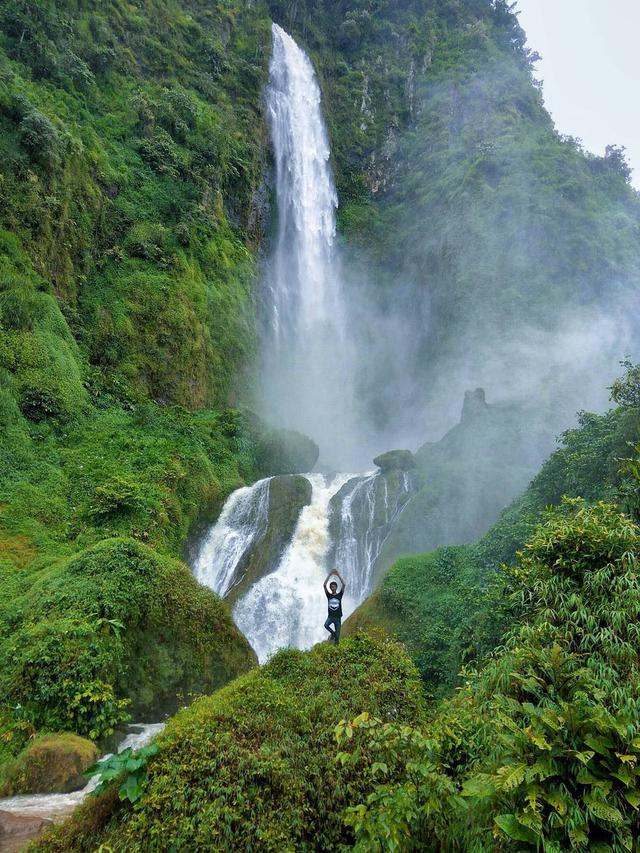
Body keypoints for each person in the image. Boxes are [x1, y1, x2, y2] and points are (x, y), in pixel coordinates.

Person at [323, 570, 345, 644]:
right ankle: (332, 633)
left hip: (338, 617)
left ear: (336, 587)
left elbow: (344, 585)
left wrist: (338, 575)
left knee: (337, 638)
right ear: (330, 588)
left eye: (334, 586)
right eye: (332, 587)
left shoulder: (339, 595)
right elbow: (324, 585)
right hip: (331, 617)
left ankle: (336, 648)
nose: (333, 588)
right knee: (326, 625)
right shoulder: (329, 595)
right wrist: (329, 575)